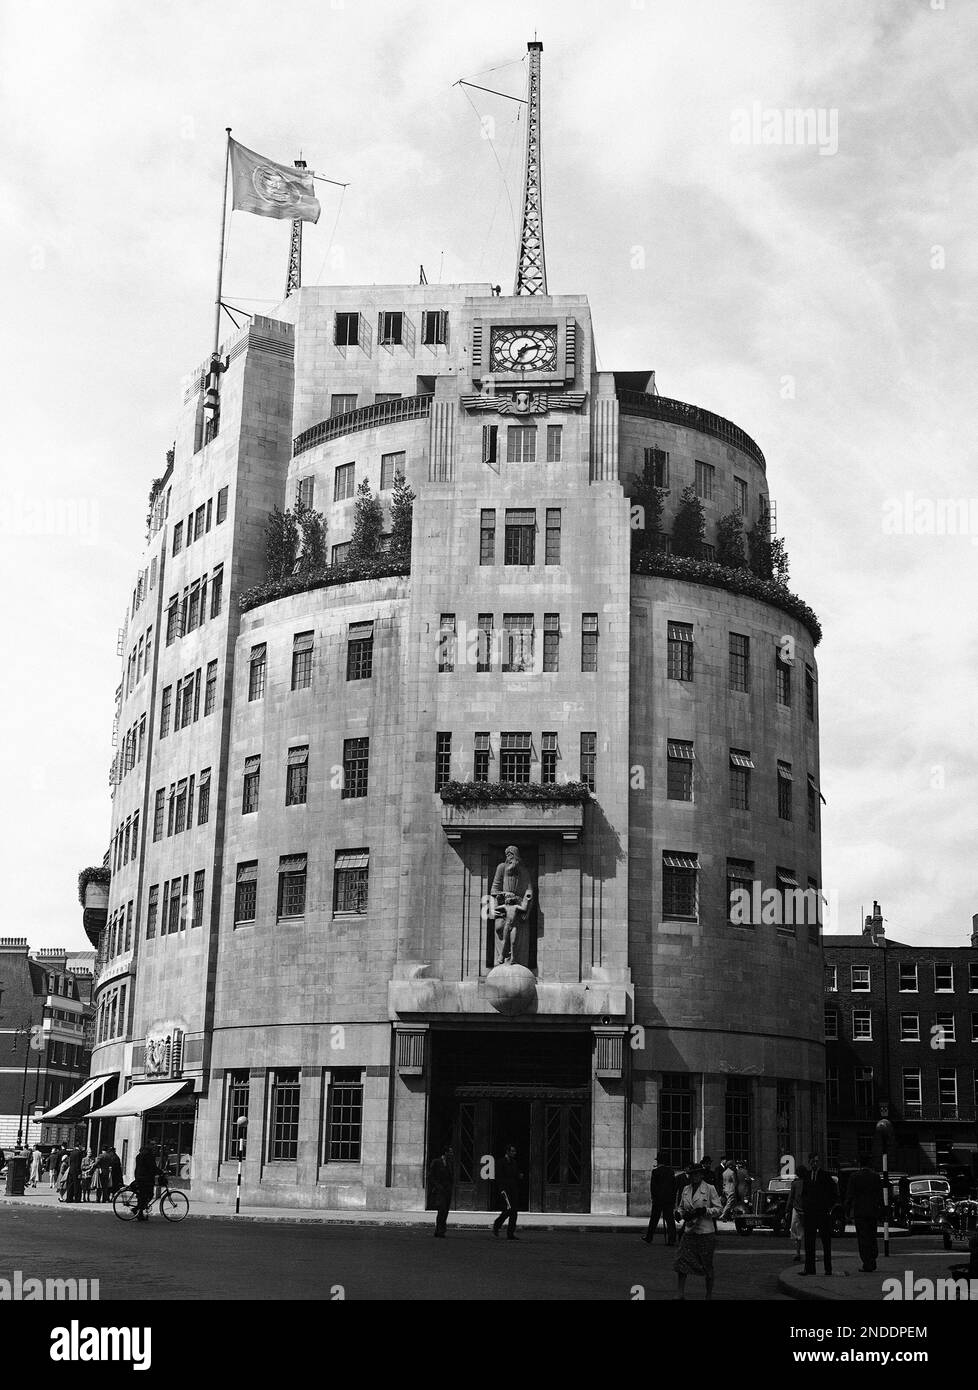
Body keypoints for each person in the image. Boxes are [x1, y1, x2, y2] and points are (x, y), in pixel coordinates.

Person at [673, 1163, 723, 1300]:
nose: (694, 1176)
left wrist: (704, 1211)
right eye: (692, 1174)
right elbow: (681, 1207)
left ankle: (708, 1295)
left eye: (697, 1174)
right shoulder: (685, 1189)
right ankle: (680, 1293)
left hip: (705, 1232)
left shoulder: (710, 1189)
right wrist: (678, 1213)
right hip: (690, 1231)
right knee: (681, 1262)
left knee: (707, 1265)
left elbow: (719, 1210)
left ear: (701, 1175)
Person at [490, 846, 534, 966]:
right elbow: (494, 890)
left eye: (511, 855)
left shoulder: (523, 871)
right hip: (503, 907)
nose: (509, 858)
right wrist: (502, 897)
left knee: (516, 939)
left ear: (517, 856)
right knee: (499, 929)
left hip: (518, 910)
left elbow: (529, 891)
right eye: (507, 855)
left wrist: (527, 911)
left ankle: (515, 960)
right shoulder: (501, 868)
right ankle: (501, 959)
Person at [801, 1153, 839, 1276]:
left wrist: (828, 1207)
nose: (815, 1164)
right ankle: (810, 1268)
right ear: (809, 1162)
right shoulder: (807, 1176)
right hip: (810, 1214)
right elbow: (804, 1193)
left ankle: (828, 1269)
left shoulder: (825, 1175)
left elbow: (834, 1193)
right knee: (809, 1242)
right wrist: (805, 1206)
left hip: (822, 1213)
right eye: (813, 1161)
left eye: (817, 1161)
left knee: (826, 1242)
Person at [846, 1161, 884, 1273]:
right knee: (872, 1236)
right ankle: (872, 1258)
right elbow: (880, 1195)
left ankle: (867, 1262)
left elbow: (850, 1194)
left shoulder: (854, 1177)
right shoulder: (875, 1177)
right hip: (872, 1211)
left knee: (863, 1238)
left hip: (860, 1212)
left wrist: (847, 1211)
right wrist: (881, 1210)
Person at [644, 1153, 677, 1245]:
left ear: (658, 1162)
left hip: (658, 1200)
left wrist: (654, 1198)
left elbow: (653, 1187)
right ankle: (672, 1239)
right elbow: (674, 1187)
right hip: (668, 1200)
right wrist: (673, 1199)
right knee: (670, 1220)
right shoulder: (671, 1172)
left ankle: (649, 1237)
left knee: (654, 1219)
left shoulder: (655, 1172)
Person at [492, 1144, 522, 1240]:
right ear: (507, 1152)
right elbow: (498, 1177)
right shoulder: (500, 1162)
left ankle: (510, 1233)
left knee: (514, 1212)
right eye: (512, 1151)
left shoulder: (514, 1162)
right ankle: (497, 1224)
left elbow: (515, 1174)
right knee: (509, 1209)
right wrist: (501, 1189)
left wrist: (519, 1176)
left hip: (513, 1189)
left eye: (515, 1151)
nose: (514, 1153)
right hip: (505, 1190)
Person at [428, 1142, 454, 1238]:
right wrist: (438, 1186)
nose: (452, 1154)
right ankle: (439, 1230)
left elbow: (451, 1176)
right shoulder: (436, 1162)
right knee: (441, 1210)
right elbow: (431, 1176)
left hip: (448, 1191)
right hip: (440, 1191)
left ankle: (441, 1229)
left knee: (445, 1211)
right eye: (450, 1152)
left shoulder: (450, 1163)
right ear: (445, 1153)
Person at [133, 1143, 164, 1221]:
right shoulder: (149, 1157)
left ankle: (139, 1213)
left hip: (139, 1177)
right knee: (149, 1195)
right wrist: (160, 1172)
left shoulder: (139, 1156)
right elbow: (152, 1167)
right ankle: (137, 1210)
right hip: (146, 1179)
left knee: (141, 1196)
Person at [788, 1163, 810, 1262]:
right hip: (806, 1210)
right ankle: (809, 1254)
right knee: (807, 1233)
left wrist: (787, 1209)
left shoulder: (795, 1183)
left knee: (797, 1234)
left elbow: (790, 1198)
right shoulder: (808, 1183)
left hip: (797, 1210)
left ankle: (798, 1253)